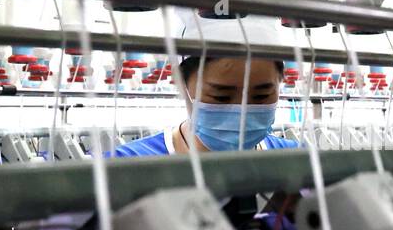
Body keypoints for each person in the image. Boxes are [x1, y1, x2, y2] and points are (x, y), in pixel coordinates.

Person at [112, 18, 302, 157]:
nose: (242, 112)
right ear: (182, 83)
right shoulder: (125, 167)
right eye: (221, 97)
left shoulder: (298, 161)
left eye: (261, 96)